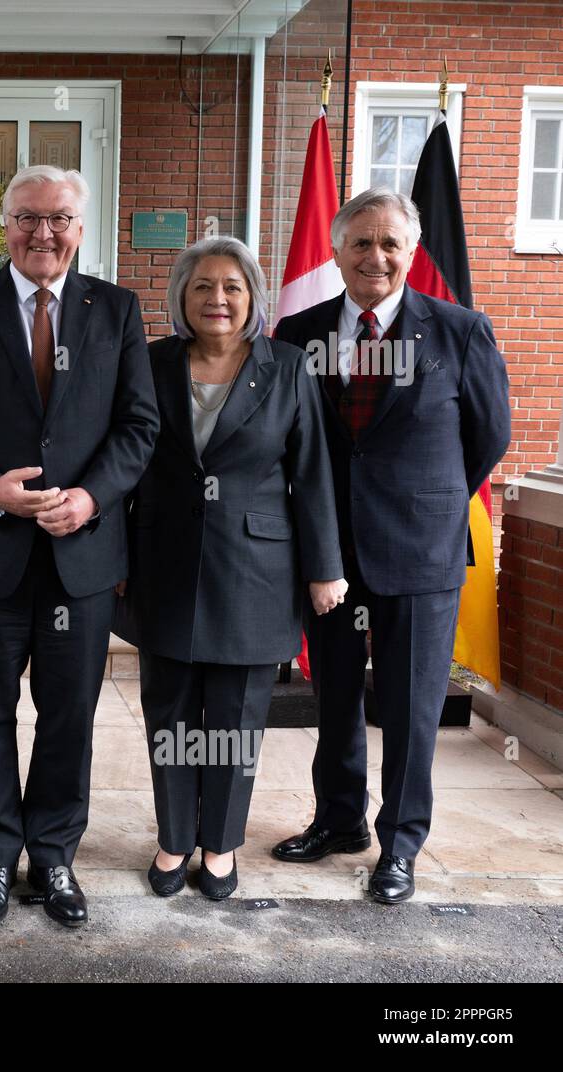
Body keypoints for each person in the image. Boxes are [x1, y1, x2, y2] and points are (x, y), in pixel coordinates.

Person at [0, 165, 158, 928]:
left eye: (58, 219)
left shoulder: (115, 310)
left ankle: (53, 856)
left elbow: (138, 426)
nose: (42, 233)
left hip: (78, 560)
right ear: (3, 226)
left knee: (67, 716)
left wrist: (89, 497)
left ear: (80, 229)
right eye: (26, 218)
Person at [271, 187, 511, 903]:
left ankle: (401, 844)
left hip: (419, 552)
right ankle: (339, 820)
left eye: (390, 244)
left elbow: (487, 437)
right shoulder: (299, 330)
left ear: (410, 252)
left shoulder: (460, 330)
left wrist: (426, 502)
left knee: (408, 708)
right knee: (335, 696)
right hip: (328, 550)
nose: (375, 256)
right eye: (361, 242)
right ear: (337, 250)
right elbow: (291, 438)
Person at [114, 237, 346, 900]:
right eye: (203, 287)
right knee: (171, 715)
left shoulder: (290, 368)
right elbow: (127, 463)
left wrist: (325, 568)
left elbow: (313, 475)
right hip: (163, 564)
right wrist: (118, 557)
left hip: (257, 570)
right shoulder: (151, 363)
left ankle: (218, 846)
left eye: (232, 287)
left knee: (237, 719)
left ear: (253, 299)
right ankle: (172, 840)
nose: (218, 299)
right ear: (181, 298)